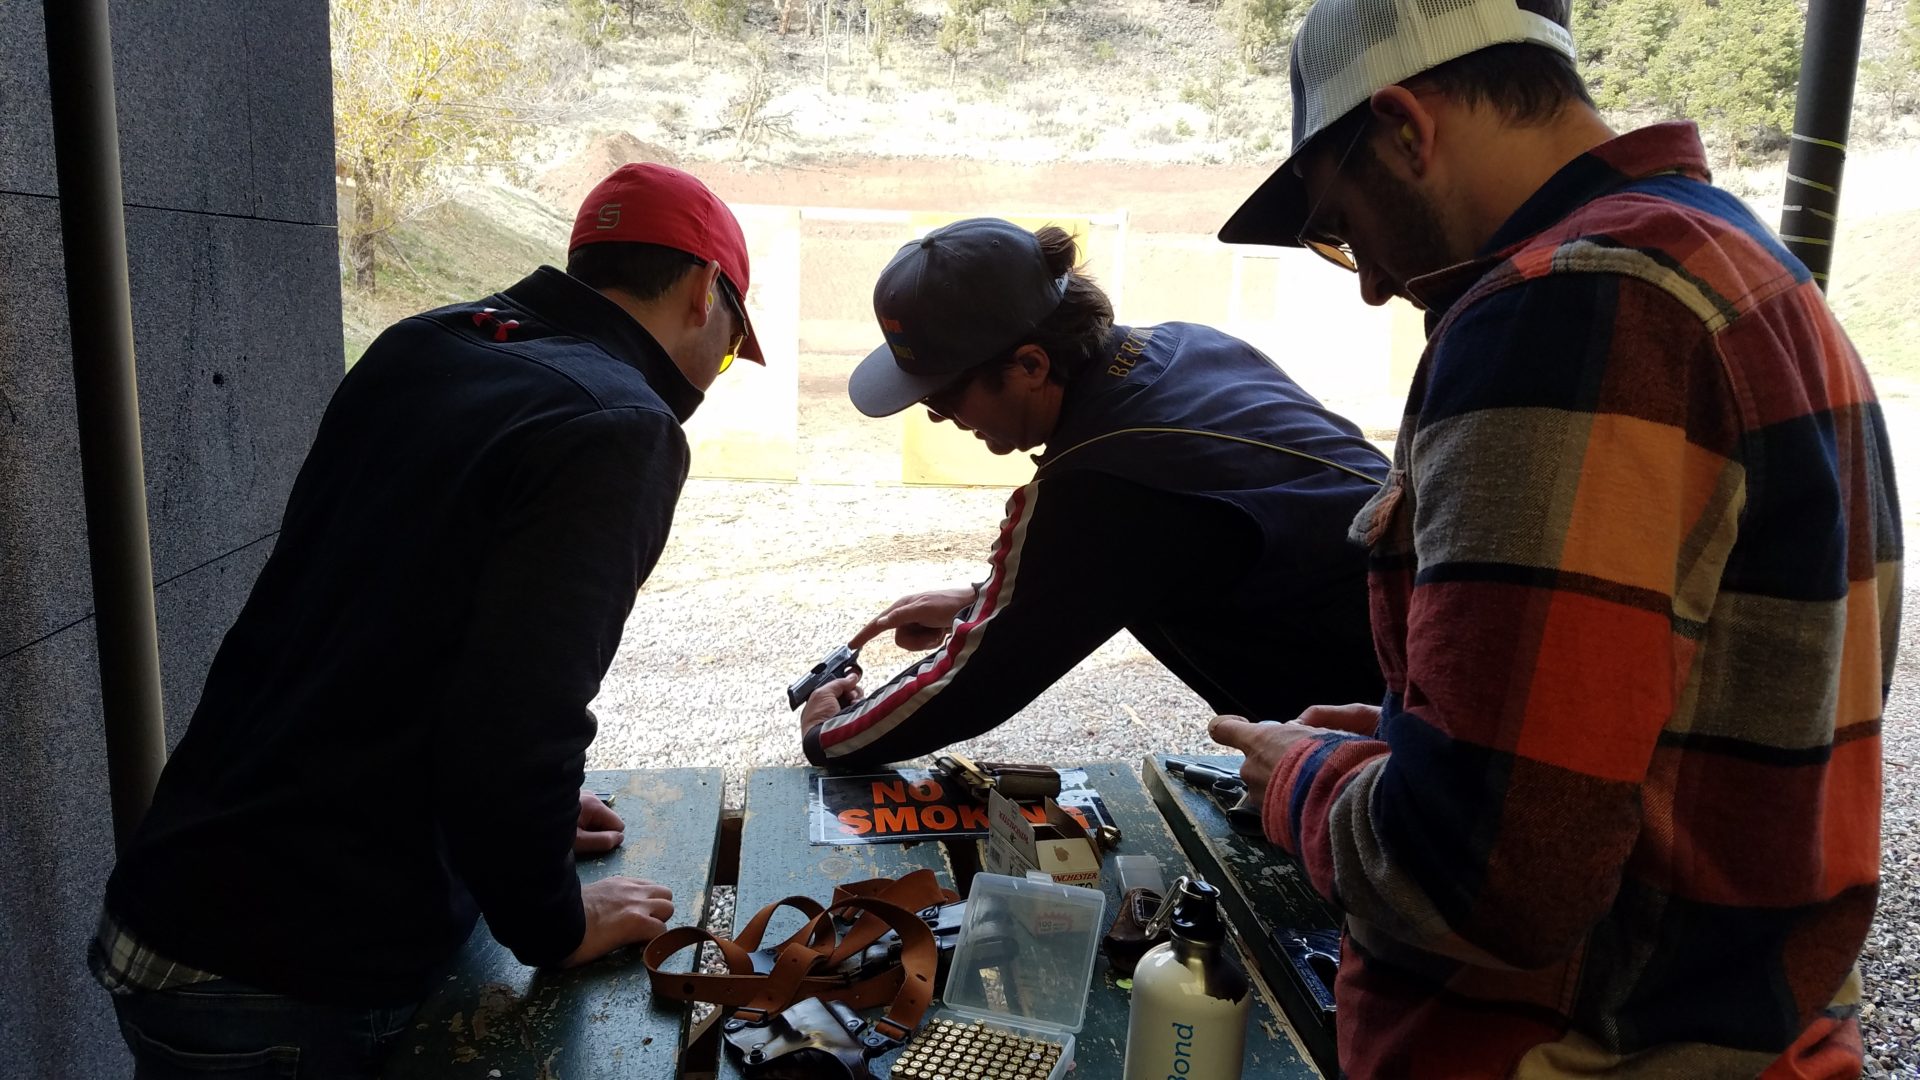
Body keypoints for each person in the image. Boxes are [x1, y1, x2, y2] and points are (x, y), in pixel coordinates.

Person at [1206, 0, 1901, 1074]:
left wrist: (1303, 780)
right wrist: (1414, 744)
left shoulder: (1569, 310)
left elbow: (1487, 880)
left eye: (1345, 225)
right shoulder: (1741, 265)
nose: (1378, 284)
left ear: (1405, 128)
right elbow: (1661, 736)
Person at [90, 163, 762, 1077]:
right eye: (730, 348)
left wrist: (515, 823)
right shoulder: (616, 425)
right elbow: (517, 715)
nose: (716, 375)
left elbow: (391, 634)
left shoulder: (427, 346)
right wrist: (555, 921)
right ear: (702, 291)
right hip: (297, 972)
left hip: (183, 893)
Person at [798, 216, 1390, 769]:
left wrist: (829, 732)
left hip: (1397, 740)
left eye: (946, 394)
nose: (937, 415)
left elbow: (973, 686)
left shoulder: (1099, 483)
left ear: (1031, 364)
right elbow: (1174, 541)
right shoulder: (1190, 346)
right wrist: (991, 598)